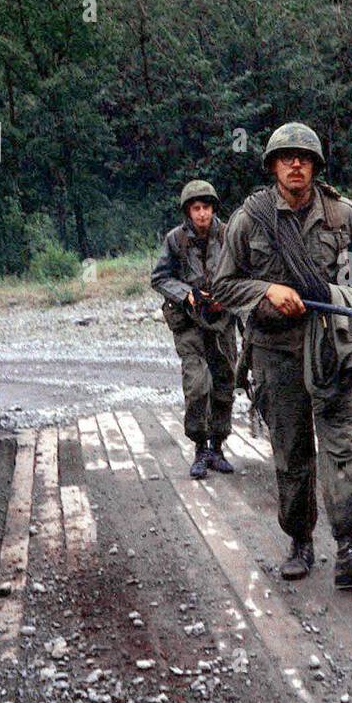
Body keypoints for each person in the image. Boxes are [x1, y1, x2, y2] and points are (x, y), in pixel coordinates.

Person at [211, 122, 352, 588]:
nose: (295, 163)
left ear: (316, 165)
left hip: (335, 347)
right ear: (273, 166)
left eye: (304, 157)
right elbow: (222, 286)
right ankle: (300, 541)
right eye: (286, 156)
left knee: (342, 447)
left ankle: (350, 550)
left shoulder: (343, 216)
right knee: (292, 451)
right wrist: (267, 290)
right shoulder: (250, 219)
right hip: (276, 352)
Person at [151, 179, 238, 479]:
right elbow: (159, 277)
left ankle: (218, 446)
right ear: (189, 212)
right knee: (198, 385)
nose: (202, 214)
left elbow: (244, 273)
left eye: (207, 207)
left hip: (222, 321)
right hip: (189, 323)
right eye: (196, 208)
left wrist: (225, 297)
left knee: (225, 383)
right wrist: (186, 293)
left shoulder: (229, 236)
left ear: (214, 208)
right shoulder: (176, 240)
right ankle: (200, 449)